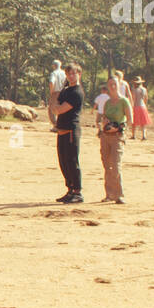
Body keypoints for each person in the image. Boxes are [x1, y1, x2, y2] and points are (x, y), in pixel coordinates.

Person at [96, 76, 132, 203]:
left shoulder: (124, 101)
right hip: (106, 136)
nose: (112, 86)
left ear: (119, 85)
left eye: (114, 84)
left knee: (116, 165)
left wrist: (119, 128)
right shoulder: (107, 102)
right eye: (110, 84)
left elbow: (129, 119)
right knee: (107, 165)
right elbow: (103, 117)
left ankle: (119, 194)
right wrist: (105, 123)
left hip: (117, 137)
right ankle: (109, 194)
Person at [54, 63, 84, 203]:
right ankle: (70, 189)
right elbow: (55, 106)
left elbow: (59, 109)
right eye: (68, 74)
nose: (71, 76)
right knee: (63, 162)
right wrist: (56, 106)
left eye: (73, 73)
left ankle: (77, 192)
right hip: (61, 131)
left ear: (79, 74)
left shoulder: (77, 92)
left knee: (72, 161)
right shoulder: (66, 91)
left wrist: (56, 106)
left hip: (71, 130)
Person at [47, 60, 66, 129]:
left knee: (52, 109)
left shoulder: (54, 73)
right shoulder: (64, 73)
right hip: (64, 92)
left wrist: (51, 92)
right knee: (61, 109)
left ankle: (56, 125)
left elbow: (51, 82)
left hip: (56, 92)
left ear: (54, 66)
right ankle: (61, 124)